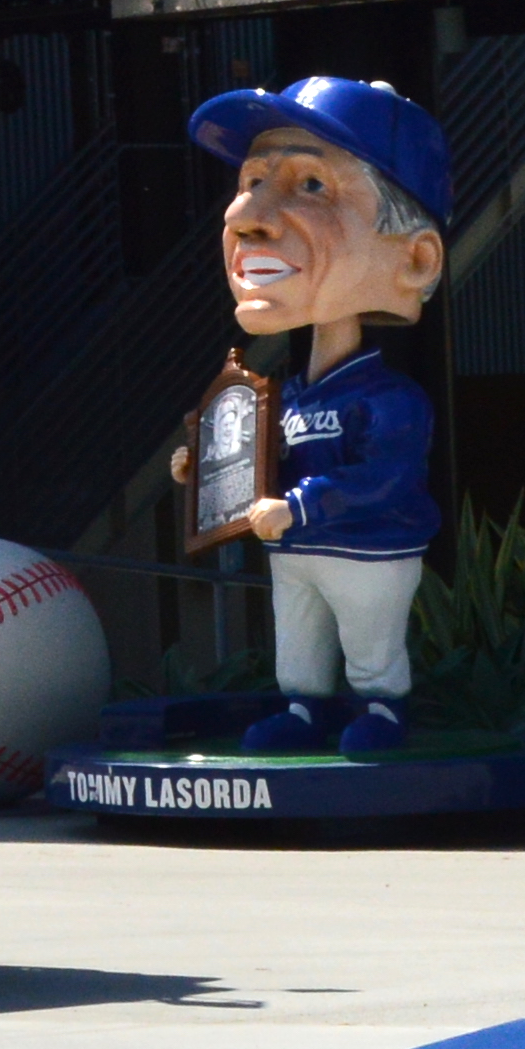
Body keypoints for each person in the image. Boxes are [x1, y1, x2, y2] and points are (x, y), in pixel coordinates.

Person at [187, 74, 453, 760]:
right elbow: (258, 457)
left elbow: (384, 480)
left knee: (370, 647)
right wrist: (207, 463)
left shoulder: (389, 400)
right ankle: (304, 710)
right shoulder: (286, 394)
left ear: (414, 258)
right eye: (250, 182)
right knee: (298, 641)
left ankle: (383, 713)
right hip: (296, 553)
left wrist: (300, 509)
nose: (249, 216)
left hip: (369, 553)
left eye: (311, 186)